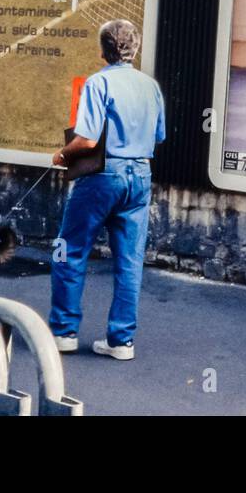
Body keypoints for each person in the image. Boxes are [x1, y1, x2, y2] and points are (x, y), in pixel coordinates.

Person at [49, 19, 166, 361]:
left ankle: (64, 332)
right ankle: (121, 341)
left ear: (102, 51)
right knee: (129, 261)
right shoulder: (151, 86)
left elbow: (86, 139)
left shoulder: (98, 83)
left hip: (102, 175)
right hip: (140, 176)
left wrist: (61, 155)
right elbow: (159, 137)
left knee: (67, 249)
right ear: (135, 48)